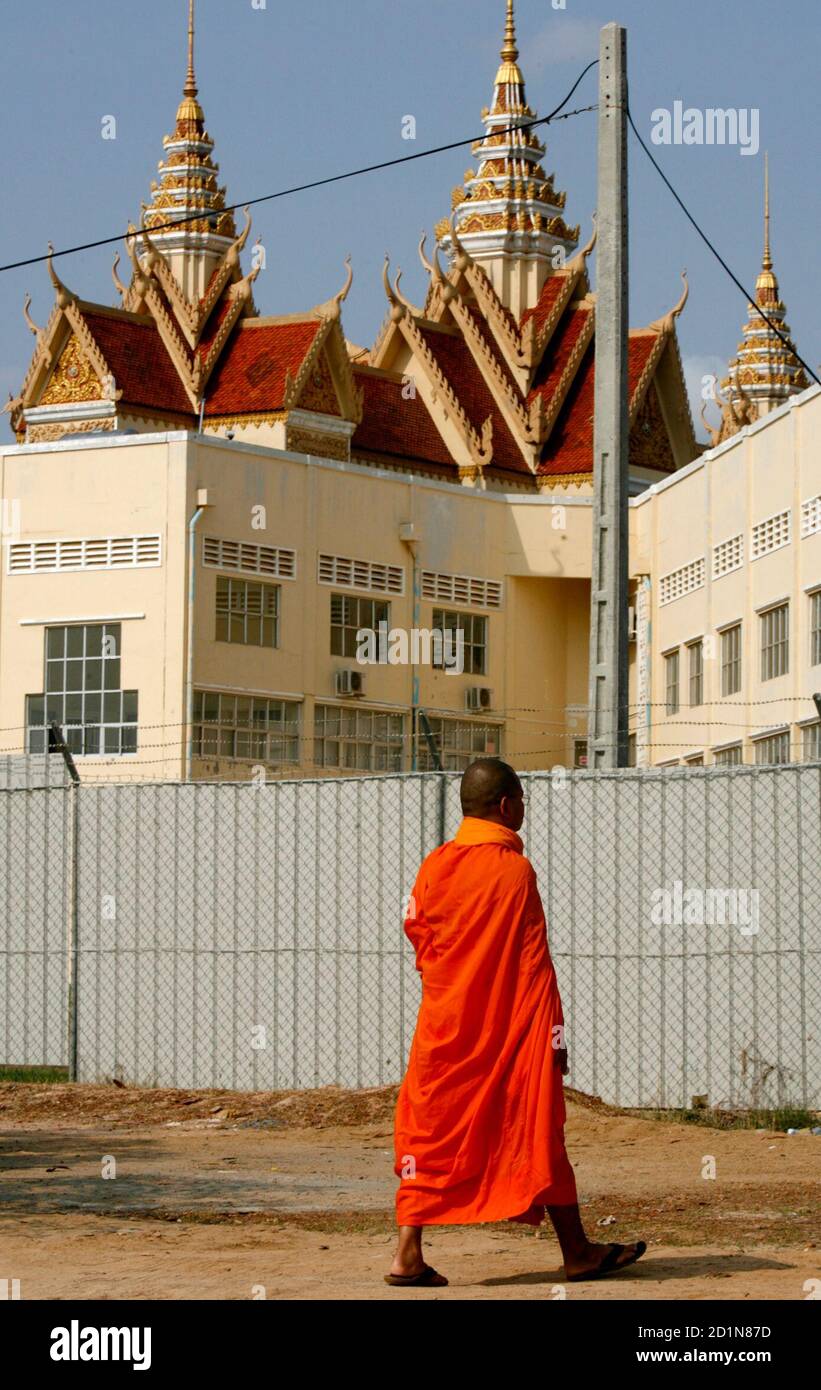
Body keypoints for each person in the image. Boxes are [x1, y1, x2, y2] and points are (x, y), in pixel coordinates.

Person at [386, 757, 646, 1288]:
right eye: (522, 798)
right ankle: (576, 1251)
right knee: (537, 1130)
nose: (525, 807)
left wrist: (450, 981)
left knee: (428, 1132)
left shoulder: (434, 865)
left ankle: (408, 1255)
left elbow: (417, 932)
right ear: (506, 806)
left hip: (443, 1027)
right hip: (508, 1030)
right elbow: (534, 961)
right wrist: (552, 1035)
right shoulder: (514, 872)